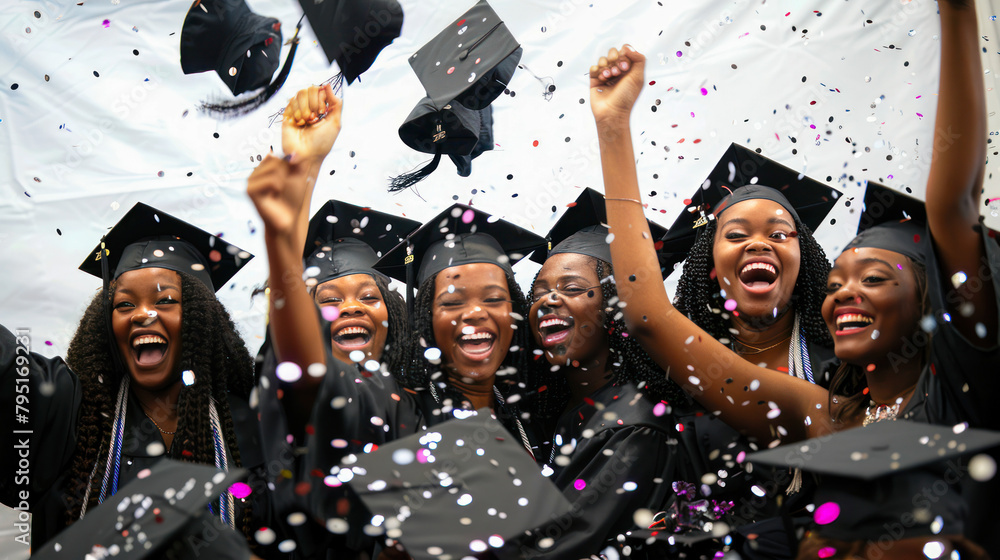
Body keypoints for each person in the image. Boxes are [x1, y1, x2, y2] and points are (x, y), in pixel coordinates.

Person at [590, 0, 997, 552]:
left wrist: (957, 12)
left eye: (873, 278)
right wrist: (613, 127)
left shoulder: (958, 389)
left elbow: (952, 203)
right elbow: (649, 317)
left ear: (927, 296)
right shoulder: (822, 416)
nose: (843, 293)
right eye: (835, 285)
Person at [0, 203, 271, 555]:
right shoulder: (70, 413)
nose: (143, 314)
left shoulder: (250, 425)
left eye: (166, 300)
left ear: (202, 321)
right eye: (124, 304)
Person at [523, 188, 700, 558]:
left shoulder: (634, 427)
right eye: (538, 292)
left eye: (571, 288)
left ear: (616, 307)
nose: (547, 301)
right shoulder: (562, 405)